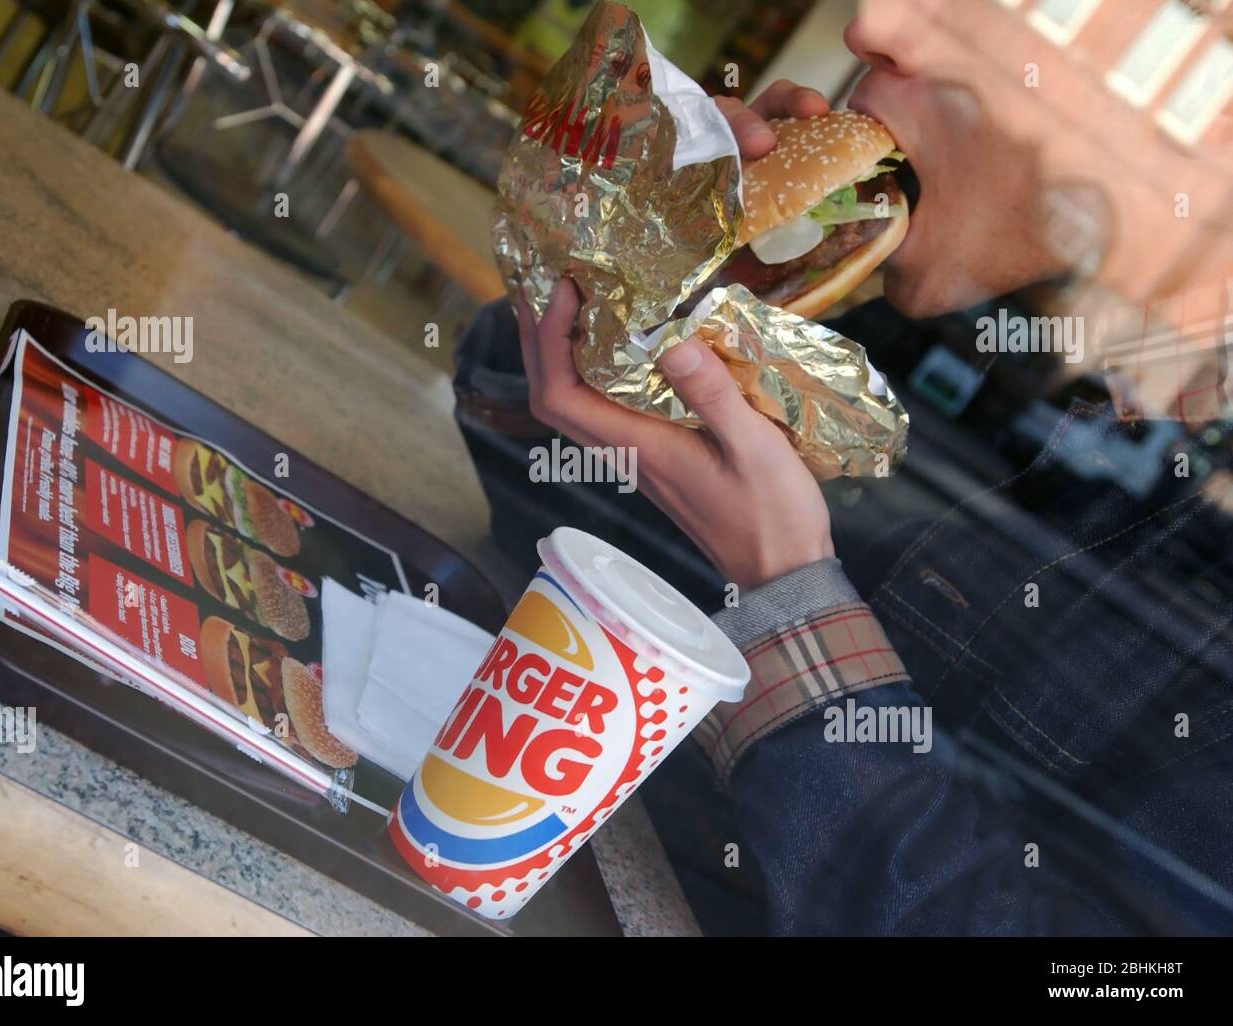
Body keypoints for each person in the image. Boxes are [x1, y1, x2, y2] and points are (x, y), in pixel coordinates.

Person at [497, 0, 1233, 934]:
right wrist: (669, 283)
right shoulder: (966, 339)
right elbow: (536, 553)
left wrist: (787, 597)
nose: (872, 23)